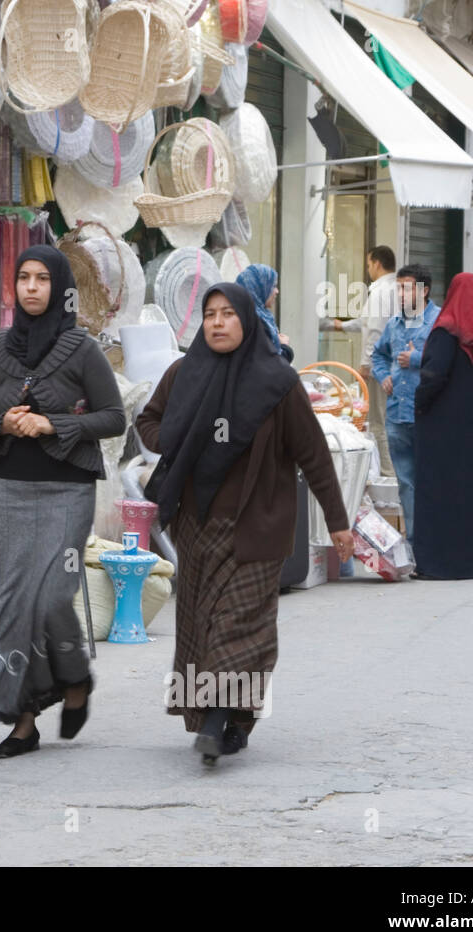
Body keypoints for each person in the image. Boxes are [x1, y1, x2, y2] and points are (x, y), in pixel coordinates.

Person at [136, 283, 354, 765]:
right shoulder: (183, 373)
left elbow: (314, 455)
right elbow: (148, 421)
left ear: (248, 321)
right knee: (201, 623)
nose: (216, 323)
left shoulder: (278, 384)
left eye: (227, 314)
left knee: (240, 624)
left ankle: (218, 720)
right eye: (209, 314)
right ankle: (229, 719)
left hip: (258, 526)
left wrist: (338, 521)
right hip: (195, 527)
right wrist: (174, 438)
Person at [0, 245, 126, 758]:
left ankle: (75, 681)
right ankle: (23, 721)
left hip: (67, 490)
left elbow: (115, 417)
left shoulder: (83, 348)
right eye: (23, 278)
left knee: (50, 597)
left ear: (59, 287)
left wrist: (54, 423)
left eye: (41, 279)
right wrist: (1, 424)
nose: (30, 287)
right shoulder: (2, 350)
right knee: (9, 603)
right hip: (8, 489)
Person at [413, 274, 473, 580]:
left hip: (444, 431)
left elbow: (433, 377)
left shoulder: (447, 331)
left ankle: (440, 564)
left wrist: (420, 404)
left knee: (441, 493)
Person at [370, 264, 441, 547]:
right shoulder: (394, 323)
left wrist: (415, 360)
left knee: (431, 480)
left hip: (428, 414)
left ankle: (435, 541)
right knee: (406, 484)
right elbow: (378, 354)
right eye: (398, 287)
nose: (400, 293)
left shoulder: (440, 323)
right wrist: (384, 375)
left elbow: (447, 365)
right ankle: (414, 543)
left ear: (423, 291)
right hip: (397, 414)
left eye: (406, 287)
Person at [236, 264, 295, 363]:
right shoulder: (255, 322)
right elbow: (272, 365)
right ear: (259, 288)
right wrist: (285, 347)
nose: (277, 291)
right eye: (273, 286)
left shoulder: (247, 314)